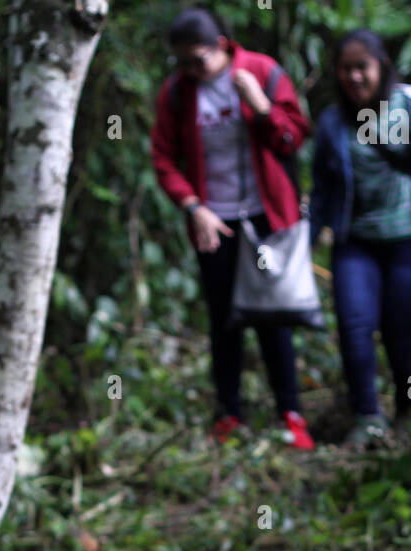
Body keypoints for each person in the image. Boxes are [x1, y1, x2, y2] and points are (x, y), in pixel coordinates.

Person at [151, 7, 315, 449]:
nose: (191, 69)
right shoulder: (178, 93)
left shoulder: (262, 71)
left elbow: (293, 137)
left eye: (197, 60)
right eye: (182, 62)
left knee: (273, 317)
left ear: (221, 46)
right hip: (214, 221)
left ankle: (290, 415)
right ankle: (229, 416)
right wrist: (193, 206)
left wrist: (261, 106)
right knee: (224, 320)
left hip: (266, 217)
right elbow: (164, 159)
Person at [309, 29, 411, 447]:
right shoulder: (331, 122)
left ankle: (409, 411)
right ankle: (368, 418)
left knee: (401, 331)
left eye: (362, 67)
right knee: (354, 326)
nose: (355, 77)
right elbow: (323, 190)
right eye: (346, 69)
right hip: (355, 242)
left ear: (381, 68)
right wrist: (304, 241)